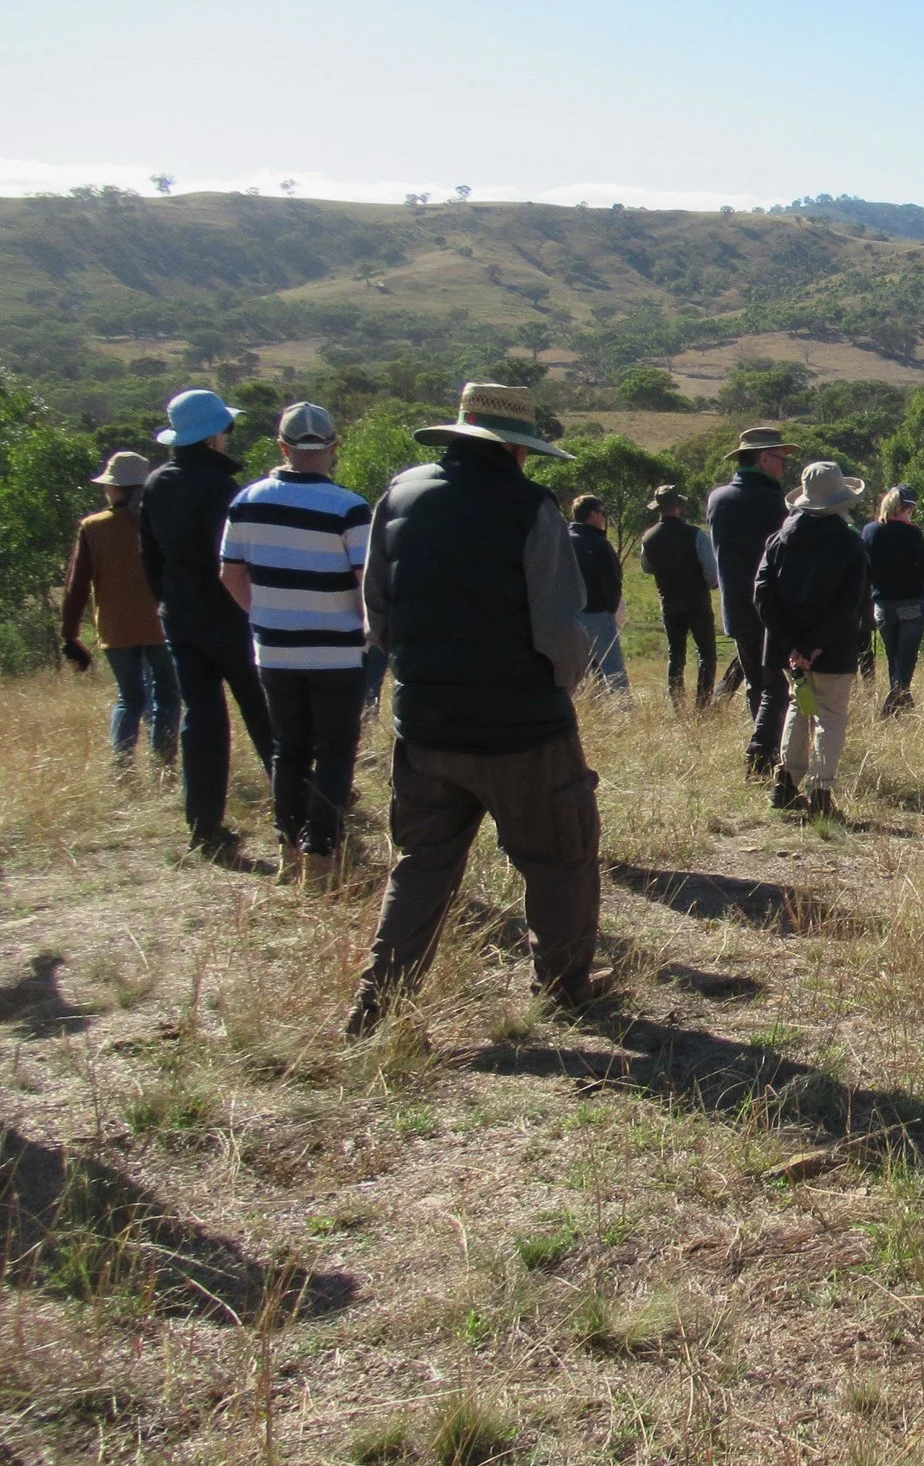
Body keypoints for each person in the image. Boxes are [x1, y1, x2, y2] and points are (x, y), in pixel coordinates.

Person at [348, 384, 597, 1036]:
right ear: (517, 448)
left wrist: (421, 674)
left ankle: (378, 1006)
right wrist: (561, 686)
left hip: (425, 726)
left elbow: (377, 611)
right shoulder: (531, 506)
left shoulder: (399, 494)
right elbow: (559, 628)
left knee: (421, 867)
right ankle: (563, 993)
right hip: (525, 731)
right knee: (560, 862)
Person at [218, 403, 370, 883]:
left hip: (275, 650)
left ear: (282, 447)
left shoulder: (246, 501)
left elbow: (230, 575)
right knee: (336, 750)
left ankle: (288, 847)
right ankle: (321, 855)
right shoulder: (349, 507)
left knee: (289, 747)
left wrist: (265, 617)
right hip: (337, 651)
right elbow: (365, 584)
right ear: (333, 446)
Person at [137, 387, 275, 858]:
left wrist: (168, 604)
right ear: (214, 435)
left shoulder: (156, 484)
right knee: (263, 711)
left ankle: (204, 825)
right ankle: (299, 806)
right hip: (232, 617)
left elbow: (149, 557)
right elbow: (240, 562)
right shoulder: (222, 489)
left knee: (201, 719)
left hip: (181, 619)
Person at [755, 460, 874, 819]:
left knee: (800, 706)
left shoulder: (779, 539)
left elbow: (763, 594)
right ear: (840, 501)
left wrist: (793, 644)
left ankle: (785, 784)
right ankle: (821, 793)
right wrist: (813, 644)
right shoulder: (850, 544)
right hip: (832, 650)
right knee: (830, 717)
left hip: (791, 653)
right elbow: (849, 603)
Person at [61, 450, 178, 765]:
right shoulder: (163, 522)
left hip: (116, 629)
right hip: (162, 625)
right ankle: (164, 765)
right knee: (167, 696)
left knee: (130, 698)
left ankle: (121, 767)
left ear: (114, 488)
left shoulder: (93, 527)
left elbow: (75, 588)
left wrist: (70, 635)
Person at [708, 426, 794, 776]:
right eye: (780, 459)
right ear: (762, 459)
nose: (784, 467)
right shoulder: (775, 502)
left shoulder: (718, 499)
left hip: (737, 608)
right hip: (773, 608)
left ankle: (766, 754)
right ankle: (764, 754)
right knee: (778, 687)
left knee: (756, 683)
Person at [638, 484, 719, 709]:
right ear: (679, 507)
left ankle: (677, 707)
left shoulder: (648, 537)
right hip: (697, 602)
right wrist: (711, 584)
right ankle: (702, 705)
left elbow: (646, 568)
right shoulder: (695, 534)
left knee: (675, 656)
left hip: (669, 602)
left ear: (658, 508)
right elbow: (711, 574)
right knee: (707, 655)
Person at [862, 485, 924, 715]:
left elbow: (865, 570)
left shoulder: (869, 531)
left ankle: (899, 701)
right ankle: (896, 700)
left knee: (893, 655)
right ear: (904, 508)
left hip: (882, 604)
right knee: (906, 657)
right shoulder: (912, 533)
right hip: (911, 602)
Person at [568, 494, 629, 694]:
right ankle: (623, 710)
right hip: (597, 614)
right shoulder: (599, 543)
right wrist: (610, 609)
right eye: (602, 513)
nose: (604, 518)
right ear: (592, 515)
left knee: (574, 671)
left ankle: (579, 707)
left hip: (568, 616)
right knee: (613, 670)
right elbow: (613, 581)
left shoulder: (562, 540)